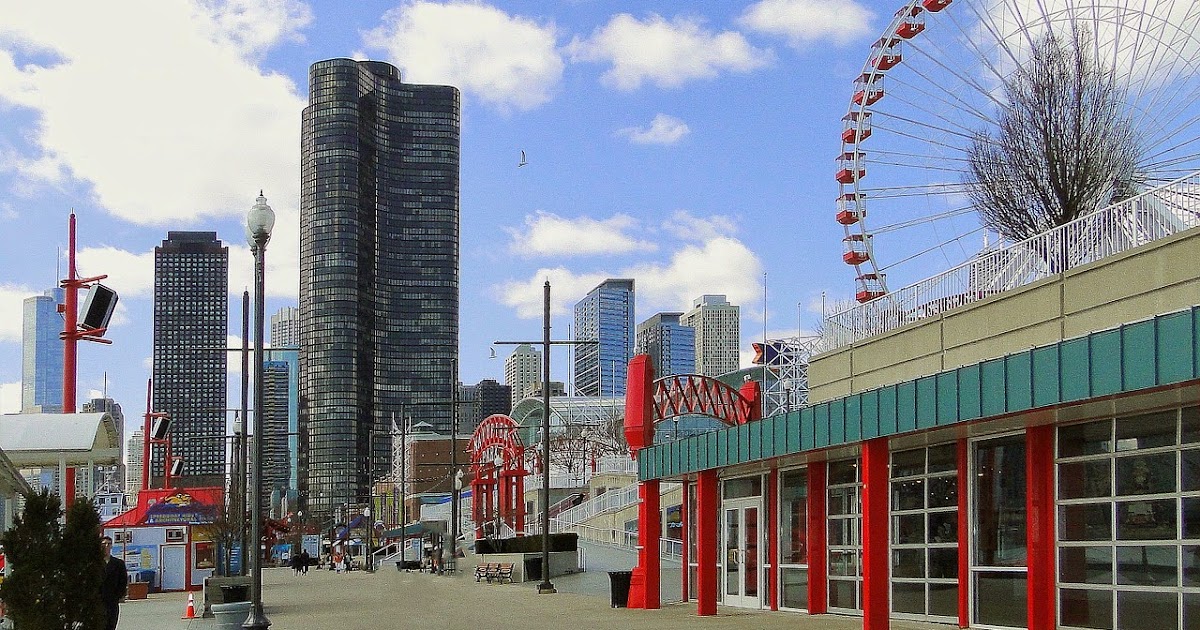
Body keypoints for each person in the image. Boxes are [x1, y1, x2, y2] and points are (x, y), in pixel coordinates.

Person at [100, 536, 127, 630]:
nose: (106, 546)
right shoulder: (95, 563)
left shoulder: (118, 563)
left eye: (109, 544)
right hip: (98, 600)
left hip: (112, 601)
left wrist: (119, 595)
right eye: (104, 544)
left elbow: (123, 581)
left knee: (111, 625)